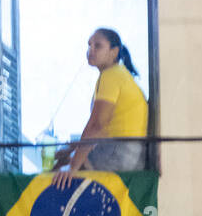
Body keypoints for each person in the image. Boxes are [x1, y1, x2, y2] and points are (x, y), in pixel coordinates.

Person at [51, 29, 147, 189]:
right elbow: (104, 128)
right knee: (66, 157)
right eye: (89, 45)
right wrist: (72, 148)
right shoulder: (119, 74)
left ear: (114, 51)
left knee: (58, 173)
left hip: (120, 154)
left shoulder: (111, 76)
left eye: (98, 46)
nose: (91, 50)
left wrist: (72, 167)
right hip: (132, 156)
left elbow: (97, 125)